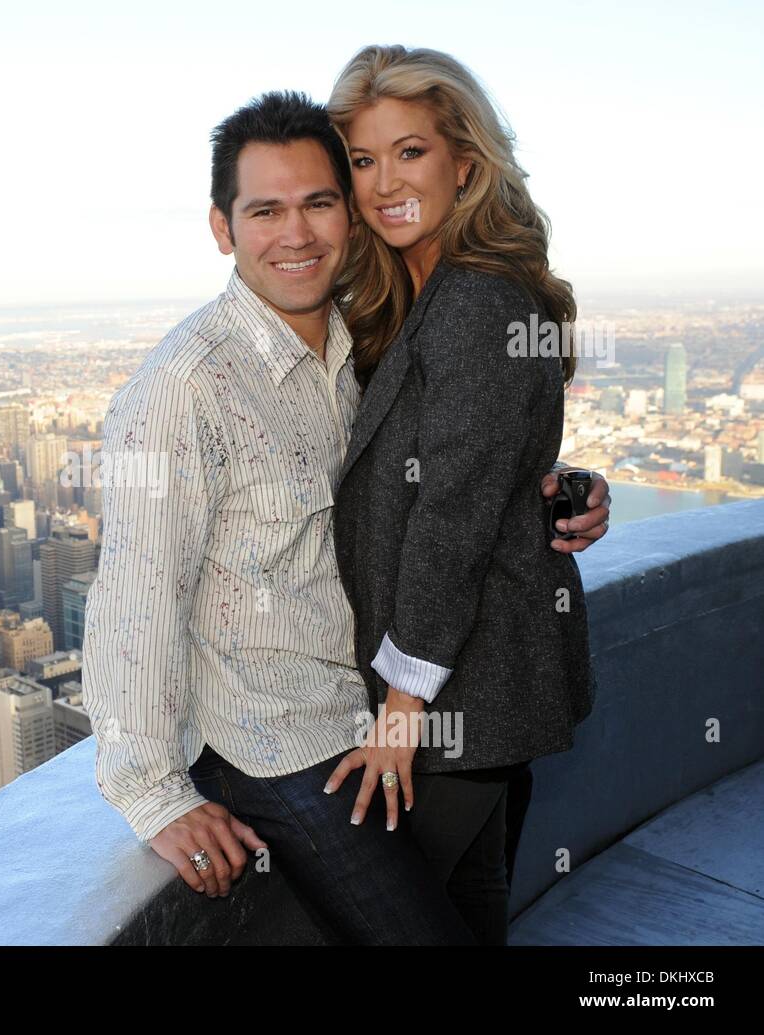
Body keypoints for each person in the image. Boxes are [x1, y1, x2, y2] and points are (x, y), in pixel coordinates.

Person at [81, 89, 609, 945]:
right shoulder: (184, 391)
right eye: (266, 211)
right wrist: (153, 793)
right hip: (286, 744)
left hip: (385, 720)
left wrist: (555, 487)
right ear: (223, 227)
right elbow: (138, 599)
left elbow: (444, 474)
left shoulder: (357, 340)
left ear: (349, 213)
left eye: (320, 202)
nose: (297, 234)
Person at [324, 45, 601, 945]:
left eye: (411, 151)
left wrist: (403, 710)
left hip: (458, 700)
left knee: (449, 919)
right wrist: (564, 487)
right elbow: (487, 462)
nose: (383, 181)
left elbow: (451, 514)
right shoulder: (409, 295)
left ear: (466, 164)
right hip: (464, 690)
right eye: (363, 160)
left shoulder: (477, 301)